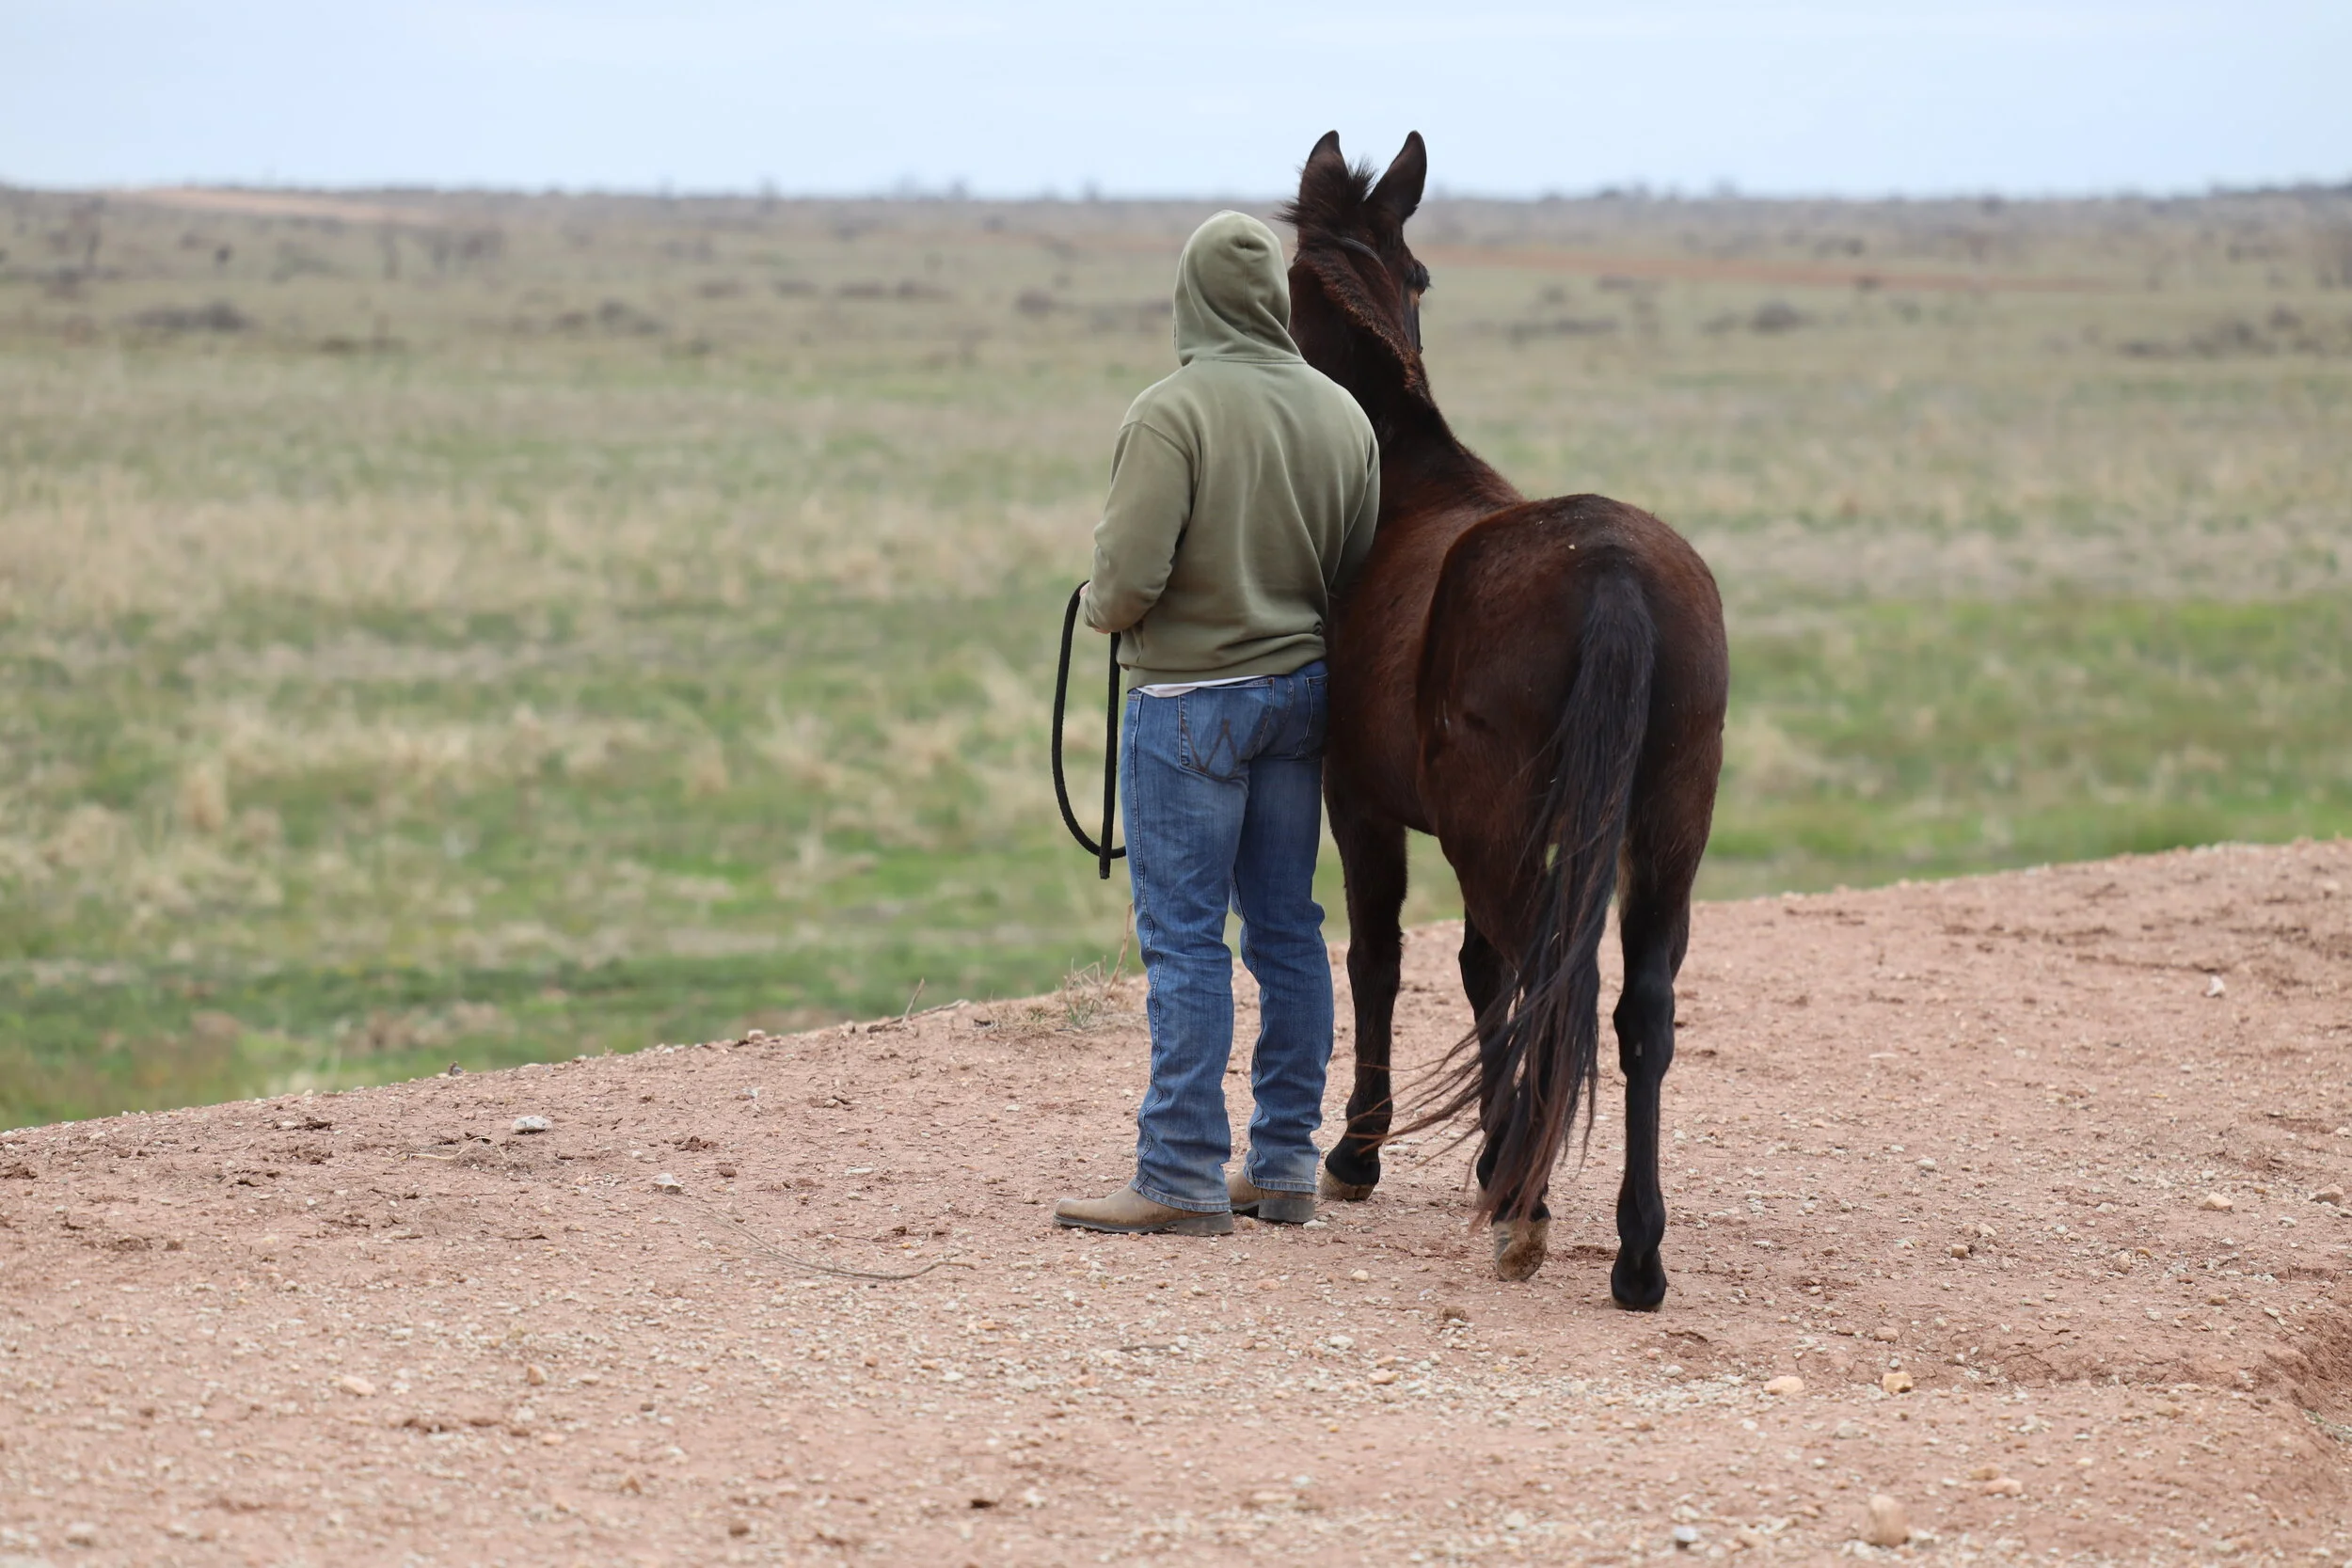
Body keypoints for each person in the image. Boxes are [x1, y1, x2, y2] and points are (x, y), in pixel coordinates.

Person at [1052, 210, 1380, 1237]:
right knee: (1287, 929)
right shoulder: (1342, 415)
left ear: (1191, 298)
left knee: (1184, 940)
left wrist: (1098, 601)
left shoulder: (1170, 410)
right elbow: (1357, 567)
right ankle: (1282, 1165)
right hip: (1300, 696)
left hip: (1187, 704)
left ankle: (1181, 1174)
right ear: (1273, 302)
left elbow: (1126, 582)